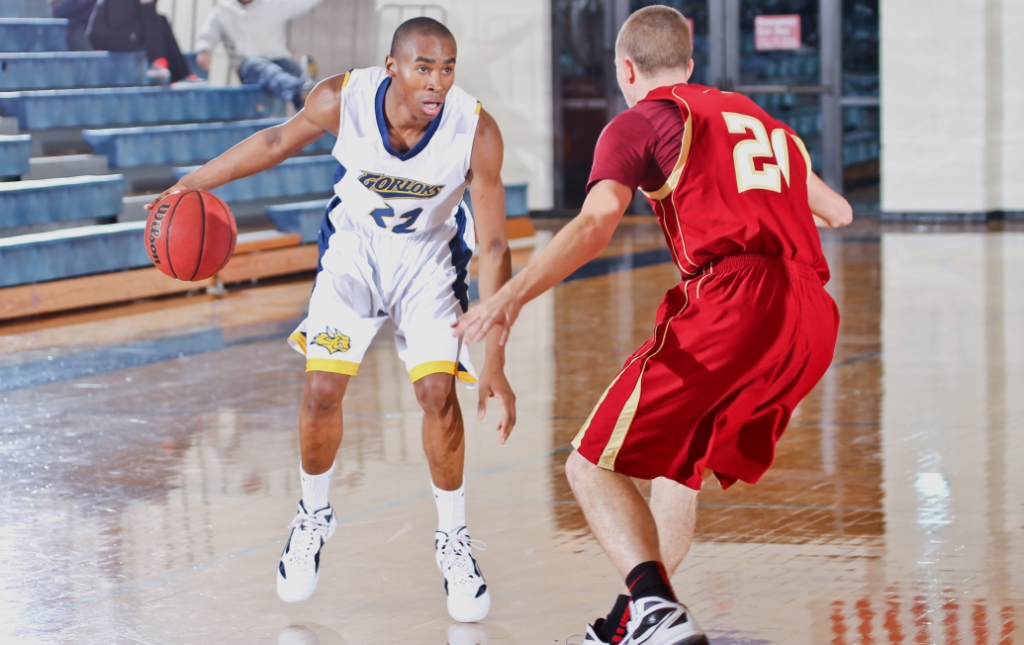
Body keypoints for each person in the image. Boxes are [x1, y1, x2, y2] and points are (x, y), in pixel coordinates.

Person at [455, 6, 852, 644]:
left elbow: (593, 224)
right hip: (811, 314)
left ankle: (656, 613)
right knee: (678, 469)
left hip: (737, 301)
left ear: (626, 69)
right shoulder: (762, 121)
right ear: (691, 66)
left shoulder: (640, 122)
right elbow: (840, 211)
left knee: (590, 465)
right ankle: (627, 622)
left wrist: (512, 297)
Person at [147, 17, 516, 623]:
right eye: (424, 67)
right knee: (321, 390)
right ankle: (313, 515)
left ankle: (453, 539)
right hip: (354, 253)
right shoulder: (340, 98)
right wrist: (189, 184)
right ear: (392, 65)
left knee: (437, 395)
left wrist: (496, 357)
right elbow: (272, 143)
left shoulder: (475, 130)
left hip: (428, 261)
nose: (437, 83)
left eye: (447, 69)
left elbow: (497, 249)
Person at [194, 0, 322, 108]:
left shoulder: (273, 4)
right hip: (249, 65)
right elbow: (207, 34)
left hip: (279, 57)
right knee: (269, 72)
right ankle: (301, 90)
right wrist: (204, 50)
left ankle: (311, 96)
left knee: (292, 69)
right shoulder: (221, 11)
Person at [86, 0, 197, 84]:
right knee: (151, 13)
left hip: (126, 31)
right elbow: (116, 19)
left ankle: (180, 74)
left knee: (160, 20)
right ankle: (158, 63)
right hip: (107, 35)